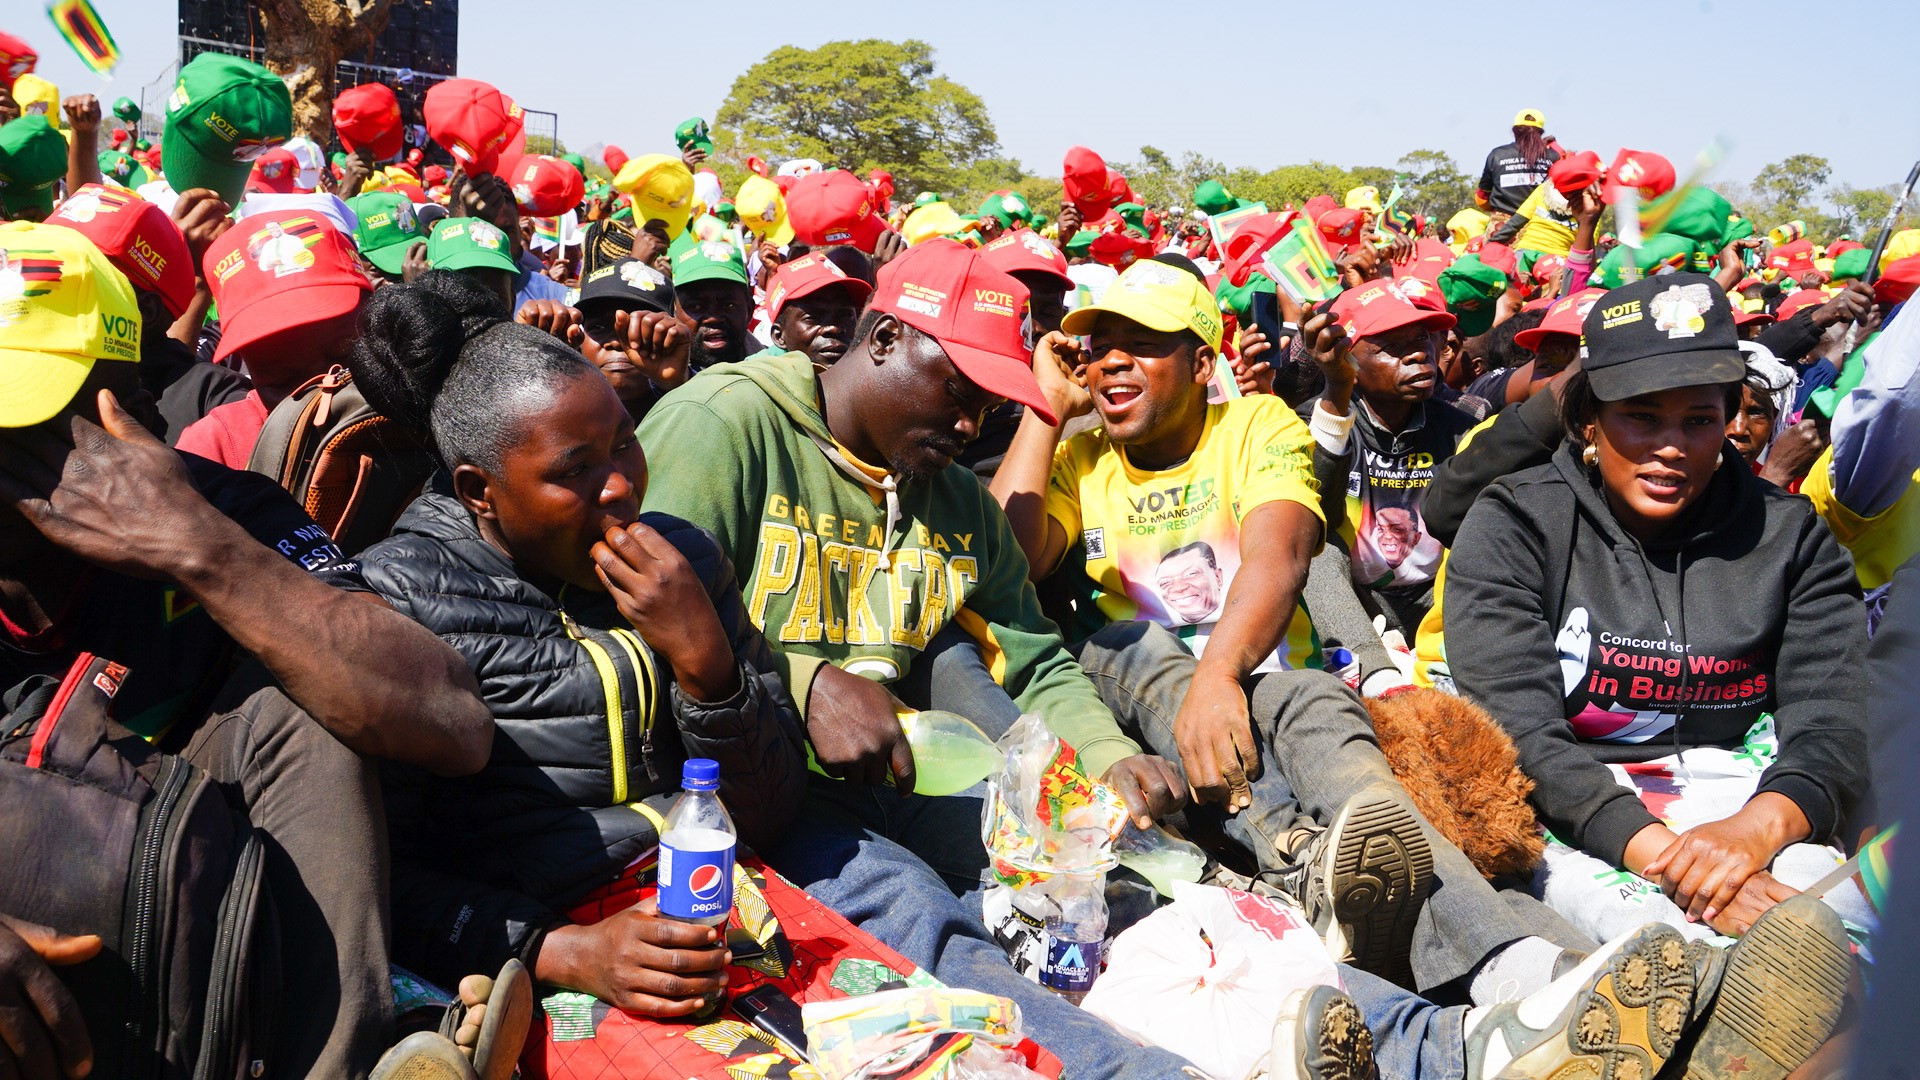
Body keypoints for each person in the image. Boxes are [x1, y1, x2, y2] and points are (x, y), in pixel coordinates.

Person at [990, 255, 1596, 999]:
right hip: (1140, 709)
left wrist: (1217, 678)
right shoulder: (1080, 458)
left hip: (1260, 699)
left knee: (1324, 715)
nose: (1114, 359)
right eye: (1100, 346)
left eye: (1142, 342)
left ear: (1202, 361)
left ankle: (1529, 973)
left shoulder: (1254, 422)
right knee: (1129, 639)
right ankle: (1298, 854)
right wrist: (1044, 410)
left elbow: (1280, 557)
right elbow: (1007, 560)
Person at [0, 221, 494, 1078]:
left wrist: (203, 549)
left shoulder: (219, 510)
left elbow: (454, 724)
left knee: (298, 701)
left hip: (188, 905)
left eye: (30, 420)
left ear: (137, 411)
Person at [337, 271, 809, 1023]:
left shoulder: (681, 561)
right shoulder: (399, 606)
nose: (621, 487)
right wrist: (566, 951)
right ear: (478, 490)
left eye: (625, 440)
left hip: (730, 897)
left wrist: (708, 666)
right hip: (539, 954)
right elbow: (372, 878)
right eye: (575, 470)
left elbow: (780, 811)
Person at [1444, 275, 1869, 949]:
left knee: (1823, 918)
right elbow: (1521, 732)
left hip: (1755, 807)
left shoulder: (1790, 534)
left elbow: (1834, 712)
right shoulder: (1517, 521)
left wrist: (1754, 831)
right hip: (1575, 815)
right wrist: (1675, 866)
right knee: (1654, 941)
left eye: (1699, 420)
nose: (1672, 446)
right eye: (1641, 416)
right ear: (1589, 420)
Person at [1307, 279, 1478, 633]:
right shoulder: (1320, 421)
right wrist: (1337, 394)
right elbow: (1314, 516)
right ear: (1348, 361)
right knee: (1316, 552)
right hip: (1353, 603)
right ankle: (1374, 671)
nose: (1418, 354)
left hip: (1438, 599)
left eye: (1420, 338)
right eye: (1393, 347)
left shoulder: (1461, 429)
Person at [173, 210, 372, 466]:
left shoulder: (423, 402)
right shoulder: (215, 449)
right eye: (282, 380)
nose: (326, 393)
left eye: (346, 359)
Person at [760, 250, 871, 365]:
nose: (834, 328)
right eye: (813, 317)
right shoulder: (755, 380)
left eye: (846, 315)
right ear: (779, 336)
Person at [670, 237, 756, 371]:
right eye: (696, 307)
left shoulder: (779, 370)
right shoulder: (651, 382)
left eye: (729, 305)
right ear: (674, 313)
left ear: (750, 310)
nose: (713, 318)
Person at [1475, 108, 1560, 217]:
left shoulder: (1497, 155)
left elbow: (1481, 199)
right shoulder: (1554, 156)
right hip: (1539, 226)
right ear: (1540, 132)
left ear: (1515, 131)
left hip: (1502, 228)